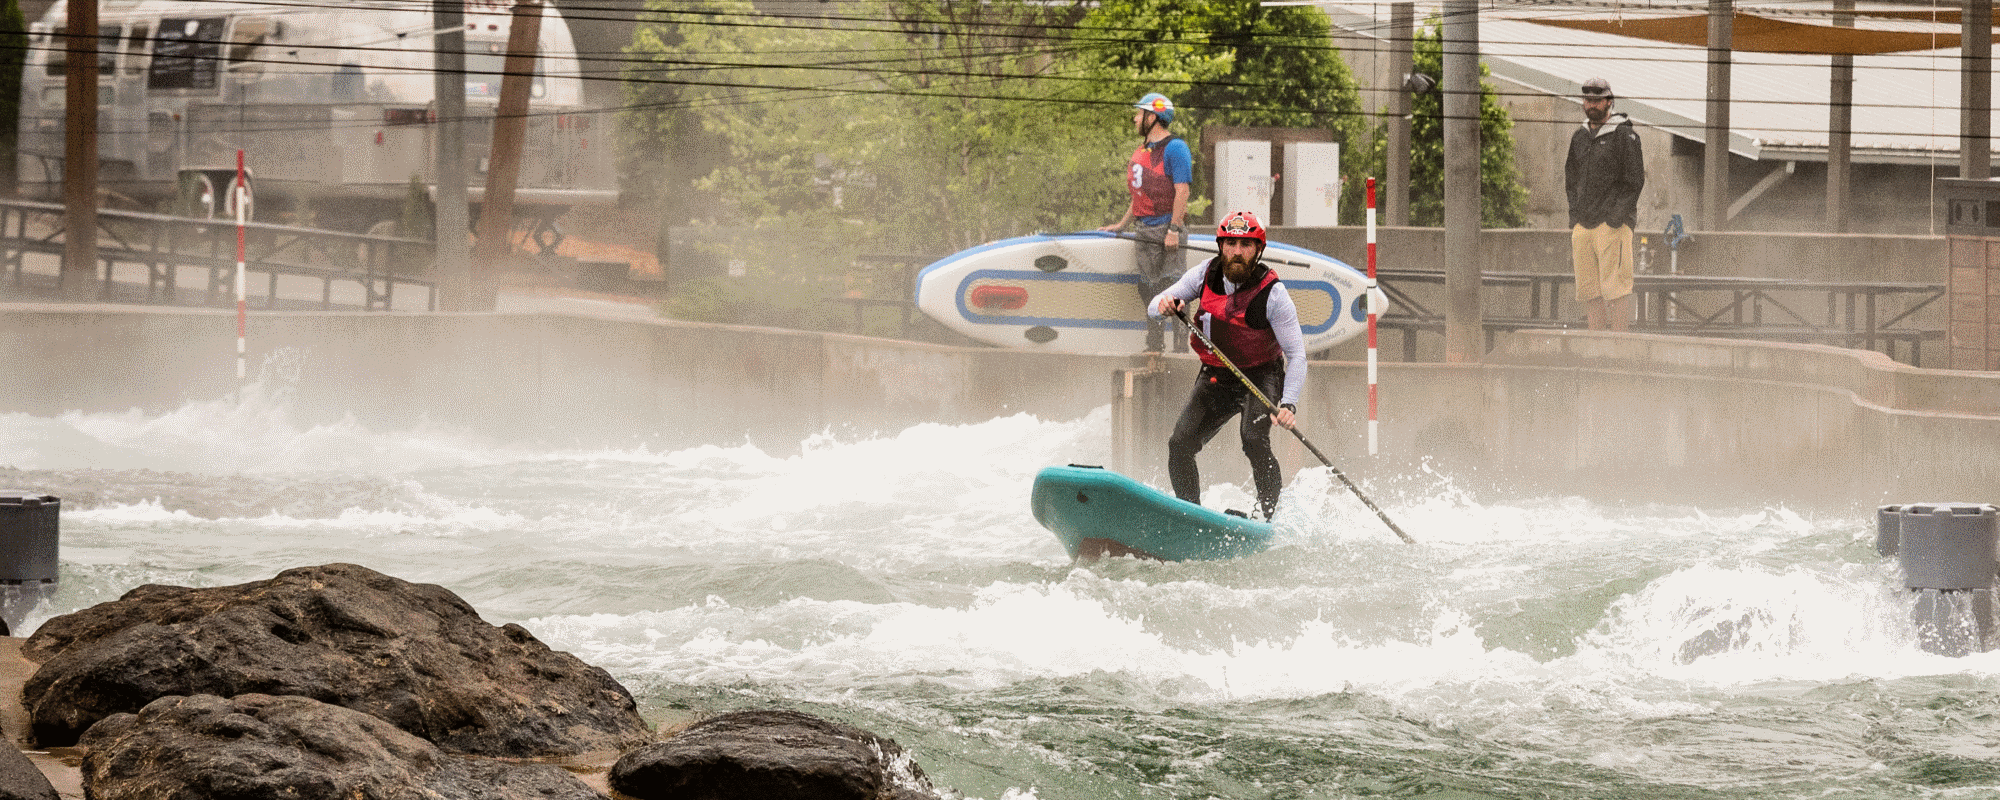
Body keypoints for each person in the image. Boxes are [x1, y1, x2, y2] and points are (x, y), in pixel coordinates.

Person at [1149, 211, 1306, 522]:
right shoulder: (1201, 276)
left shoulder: (1273, 294)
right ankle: (1190, 516)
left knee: (1253, 439)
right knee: (1179, 444)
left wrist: (1289, 404)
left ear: (1258, 250)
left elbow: (1297, 354)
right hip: (1217, 376)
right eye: (1231, 243)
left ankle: (1268, 519)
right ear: (1220, 247)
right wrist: (1166, 305)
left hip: (1262, 375)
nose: (1237, 252)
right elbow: (1156, 305)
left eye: (1246, 245)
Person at [1100, 92, 1193, 353]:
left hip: (1167, 228)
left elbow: (1182, 191)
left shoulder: (1175, 148)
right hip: (1145, 230)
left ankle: (1180, 347)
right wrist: (1121, 224)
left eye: (1139, 114)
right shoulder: (1142, 151)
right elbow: (1141, 195)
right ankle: (1154, 344)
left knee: (1174, 288)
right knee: (1148, 287)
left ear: (1153, 117)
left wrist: (1174, 229)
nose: (1135, 118)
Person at [1565, 76, 1646, 332]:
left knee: (1617, 290)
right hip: (1584, 226)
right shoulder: (1579, 136)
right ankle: (1596, 348)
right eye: (1588, 99)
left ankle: (1619, 348)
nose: (1591, 105)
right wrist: (1575, 216)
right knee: (1590, 290)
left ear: (1609, 102)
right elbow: (1570, 178)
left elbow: (1634, 181)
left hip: (1612, 226)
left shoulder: (1624, 135)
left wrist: (1615, 218)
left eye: (1597, 100)